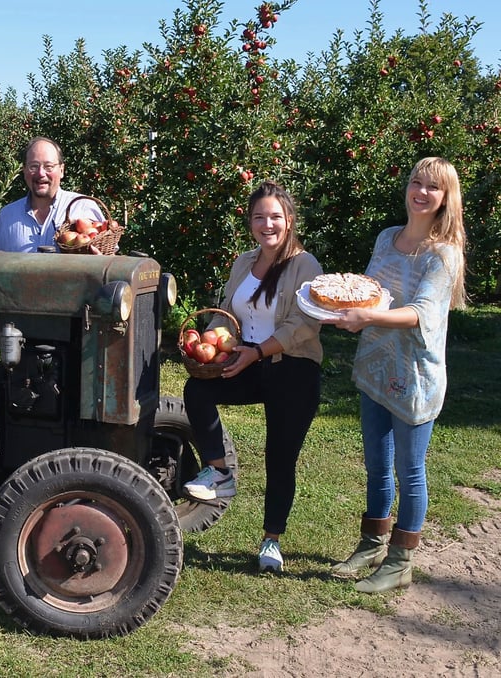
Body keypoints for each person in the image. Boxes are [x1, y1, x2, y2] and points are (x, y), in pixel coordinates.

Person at [326, 157, 466, 593]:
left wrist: (365, 315)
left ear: (446, 199)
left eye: (433, 187)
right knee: (376, 465)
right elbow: (370, 289)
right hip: (375, 367)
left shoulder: (443, 255)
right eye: (416, 183)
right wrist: (342, 305)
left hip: (414, 377)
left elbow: (421, 313)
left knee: (410, 470)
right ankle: (372, 543)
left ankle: (401, 560)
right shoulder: (387, 238)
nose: (421, 192)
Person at [181, 181, 324, 573]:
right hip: (245, 359)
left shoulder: (305, 265)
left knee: (280, 456)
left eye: (275, 216)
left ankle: (271, 541)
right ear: (250, 222)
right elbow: (226, 313)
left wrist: (258, 351)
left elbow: (305, 324)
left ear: (289, 220)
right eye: (259, 217)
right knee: (197, 388)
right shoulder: (244, 262)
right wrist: (205, 343)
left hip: (292, 368)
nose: (268, 224)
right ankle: (220, 472)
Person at [0, 136, 105, 253]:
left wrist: (100, 261)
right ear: (24, 170)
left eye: (48, 166)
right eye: (33, 166)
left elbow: (109, 260)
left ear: (61, 170)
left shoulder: (83, 206)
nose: (41, 173)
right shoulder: (7, 216)